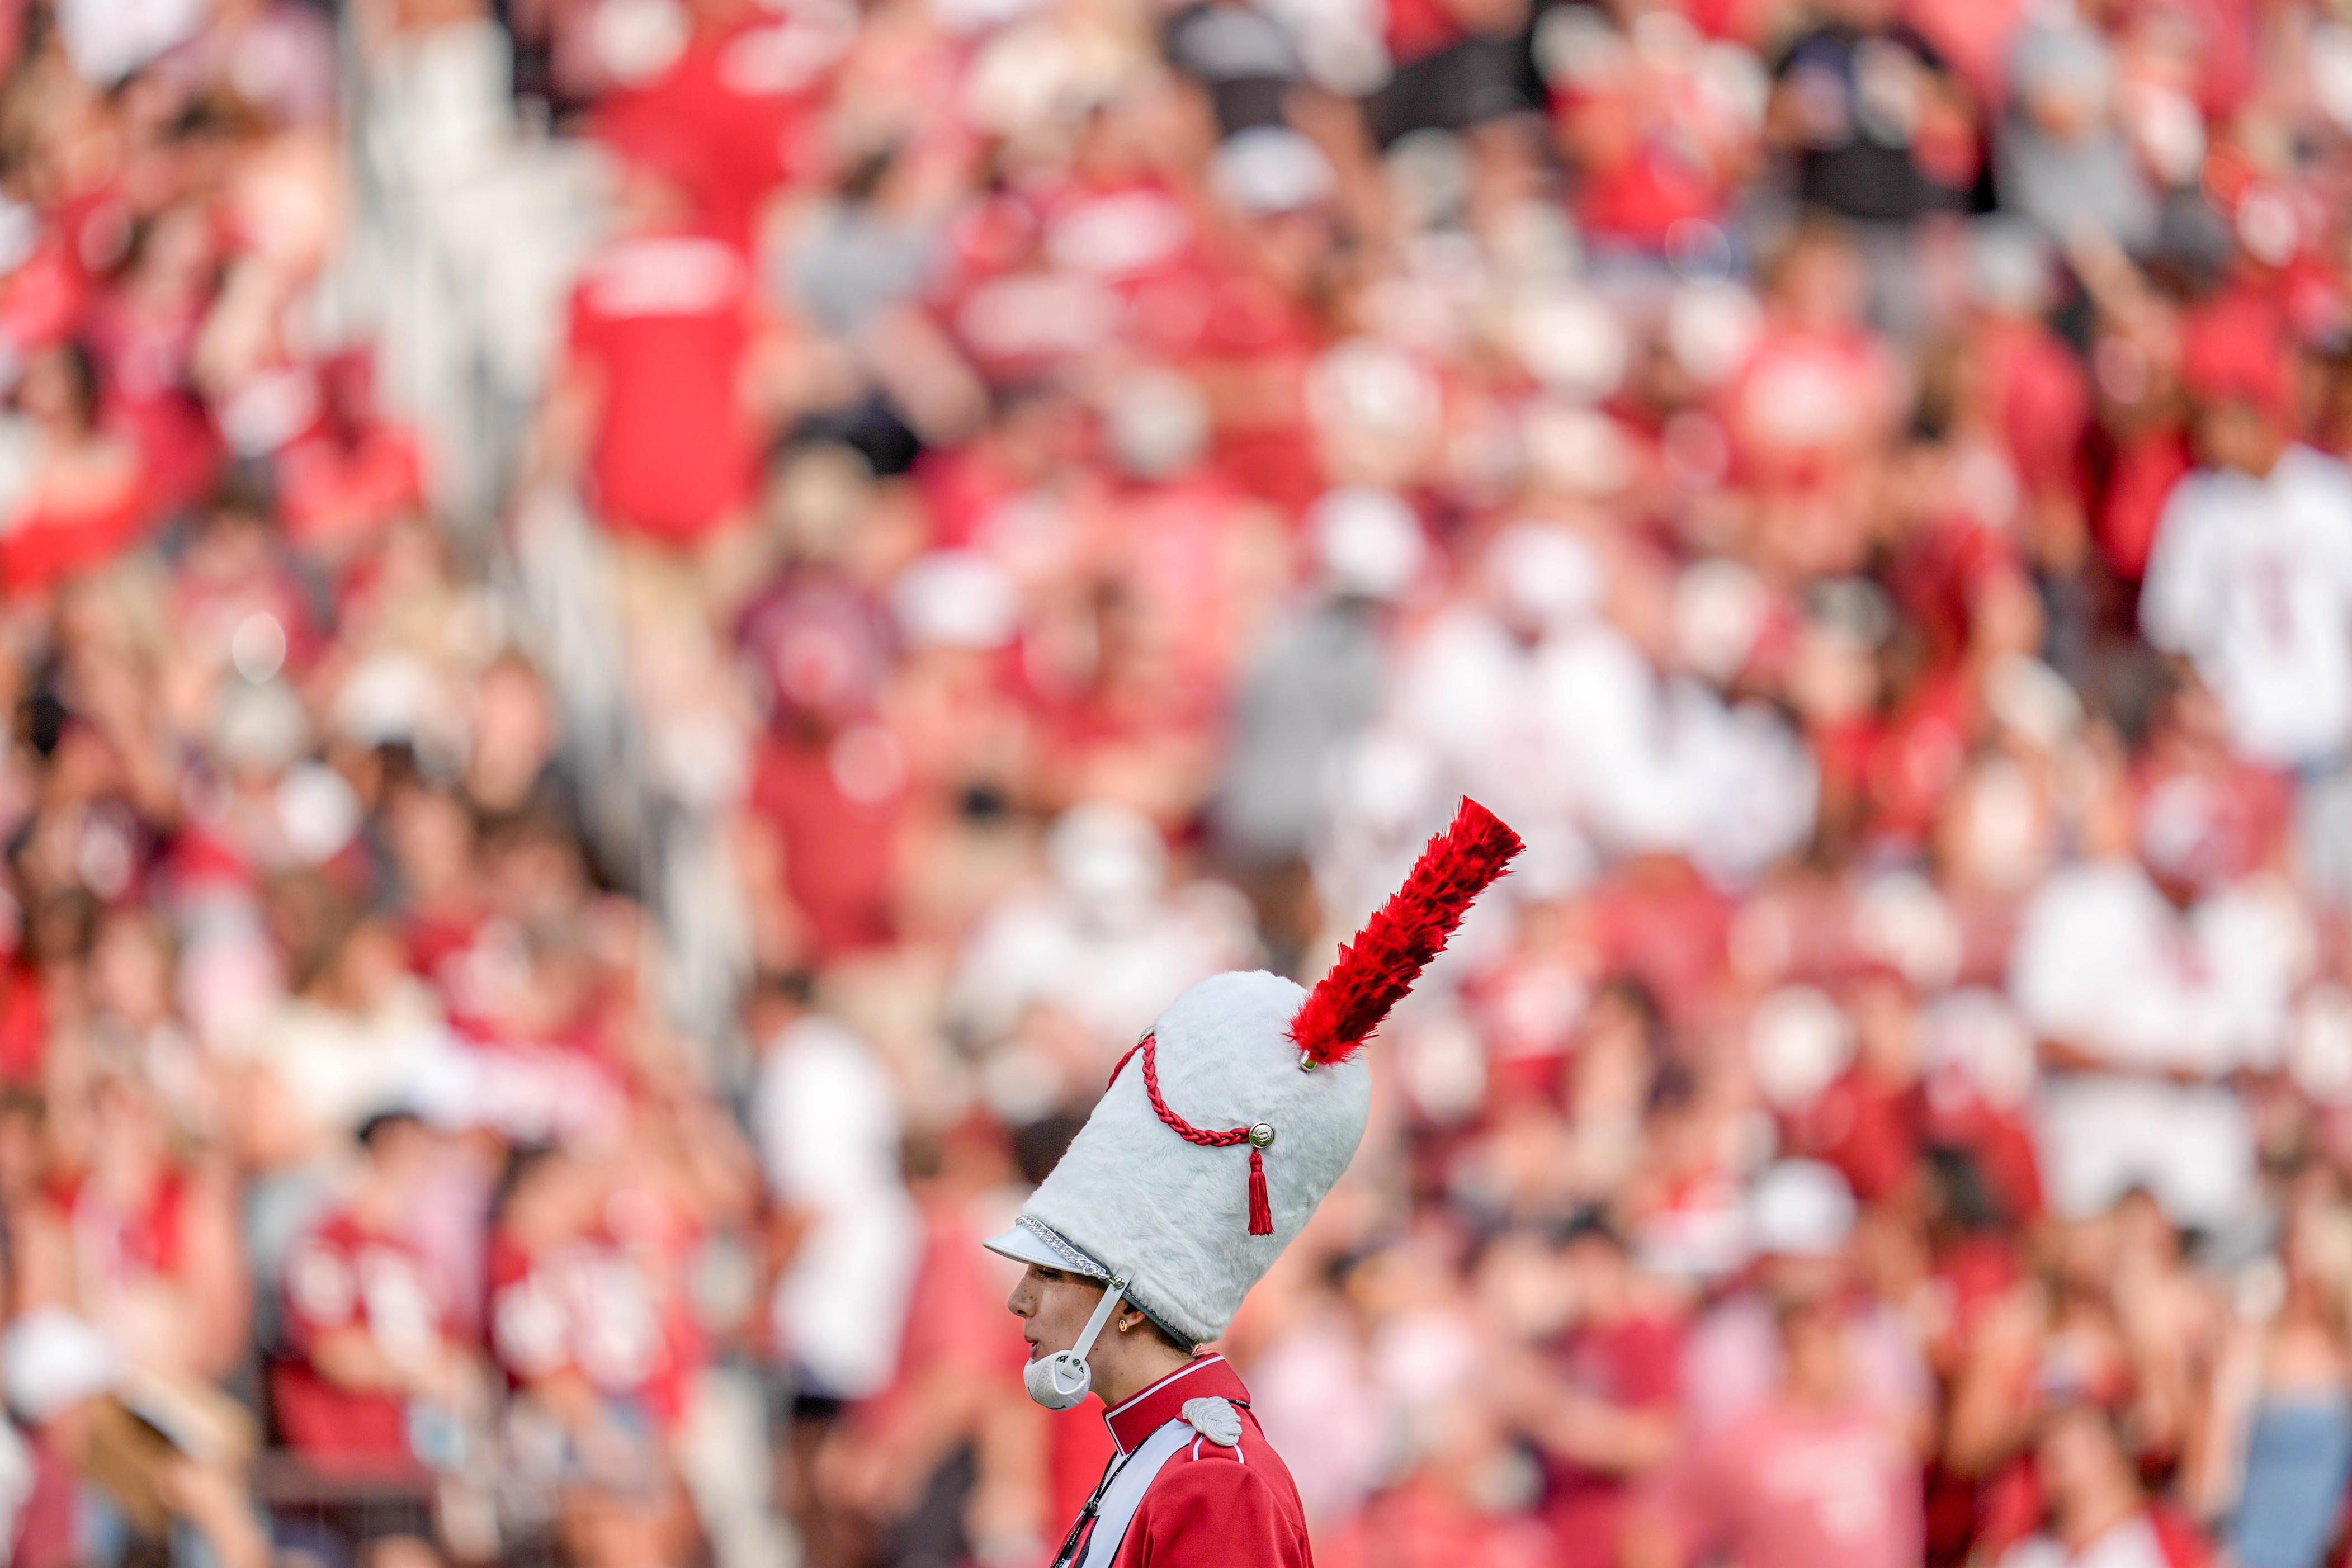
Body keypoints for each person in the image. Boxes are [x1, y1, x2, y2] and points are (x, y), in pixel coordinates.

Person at [985, 799, 1523, 1566]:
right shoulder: (1161, 1456)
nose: (1020, 1297)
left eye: (1050, 1271)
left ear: (1132, 1305)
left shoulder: (1211, 1483)